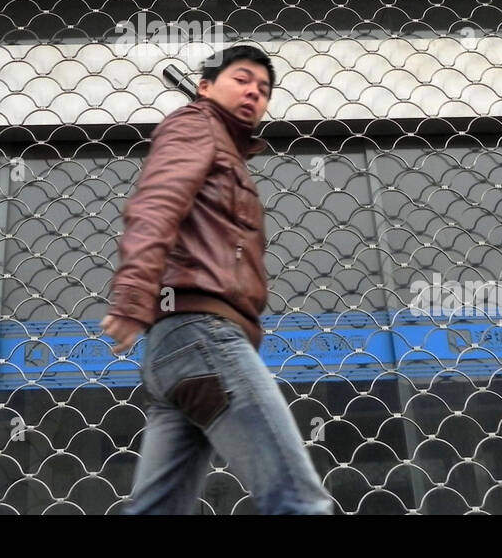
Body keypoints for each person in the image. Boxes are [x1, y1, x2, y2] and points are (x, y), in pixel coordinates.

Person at [101, 44, 335, 514]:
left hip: (175, 353)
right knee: (298, 501)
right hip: (203, 335)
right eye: (242, 79)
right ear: (205, 87)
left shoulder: (223, 146)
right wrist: (132, 295)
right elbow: (156, 203)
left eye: (264, 89)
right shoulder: (194, 124)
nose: (254, 92)